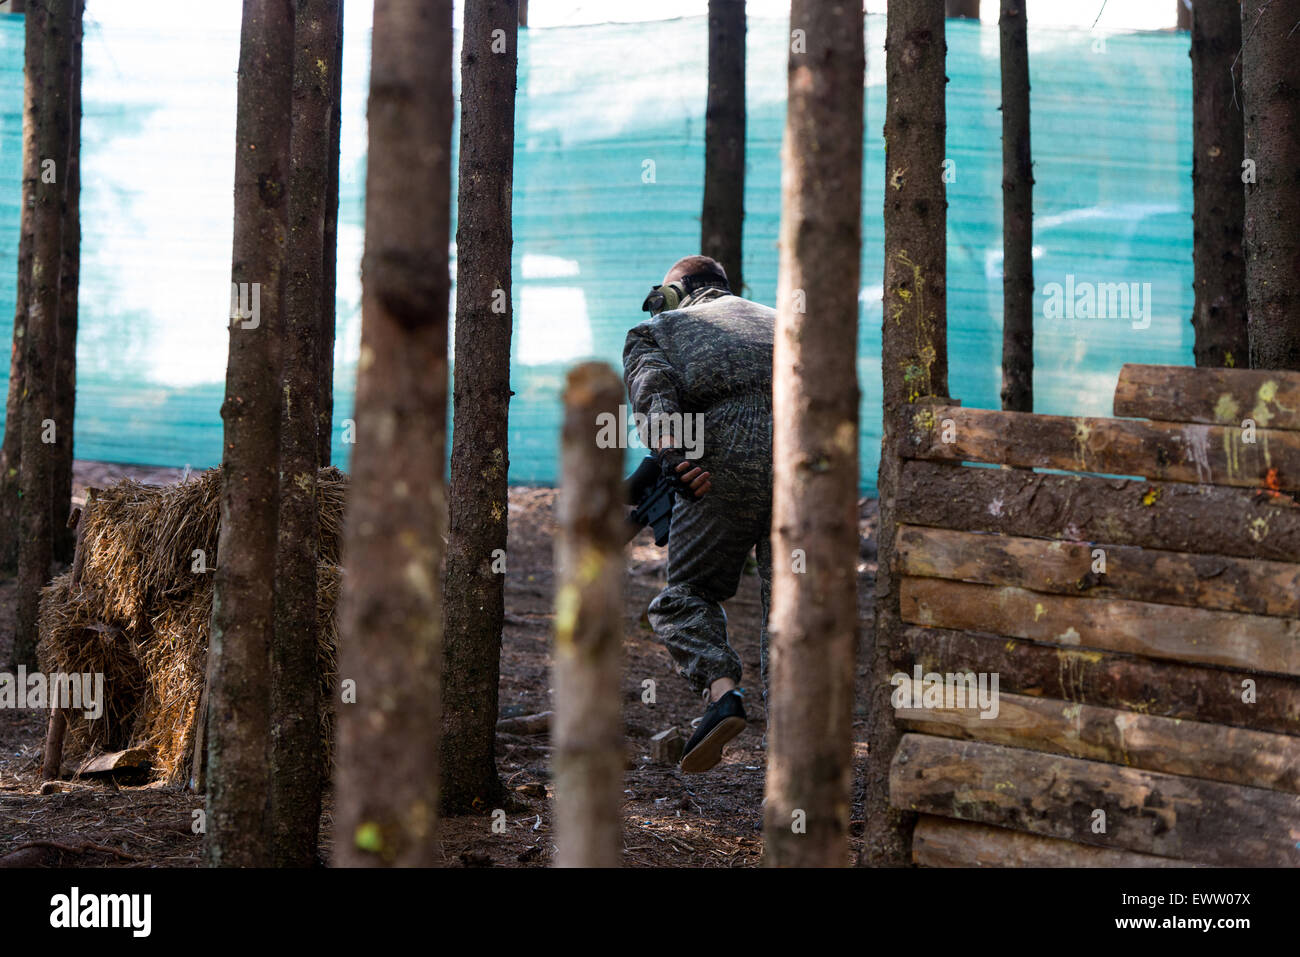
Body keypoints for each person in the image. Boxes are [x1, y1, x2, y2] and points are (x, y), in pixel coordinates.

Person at [622, 254, 774, 773]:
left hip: (720, 464)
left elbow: (653, 396)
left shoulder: (659, 327)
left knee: (684, 596)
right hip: (808, 467)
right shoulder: (786, 323)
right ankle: (799, 743)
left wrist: (673, 455)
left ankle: (723, 696)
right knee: (793, 609)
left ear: (673, 293)